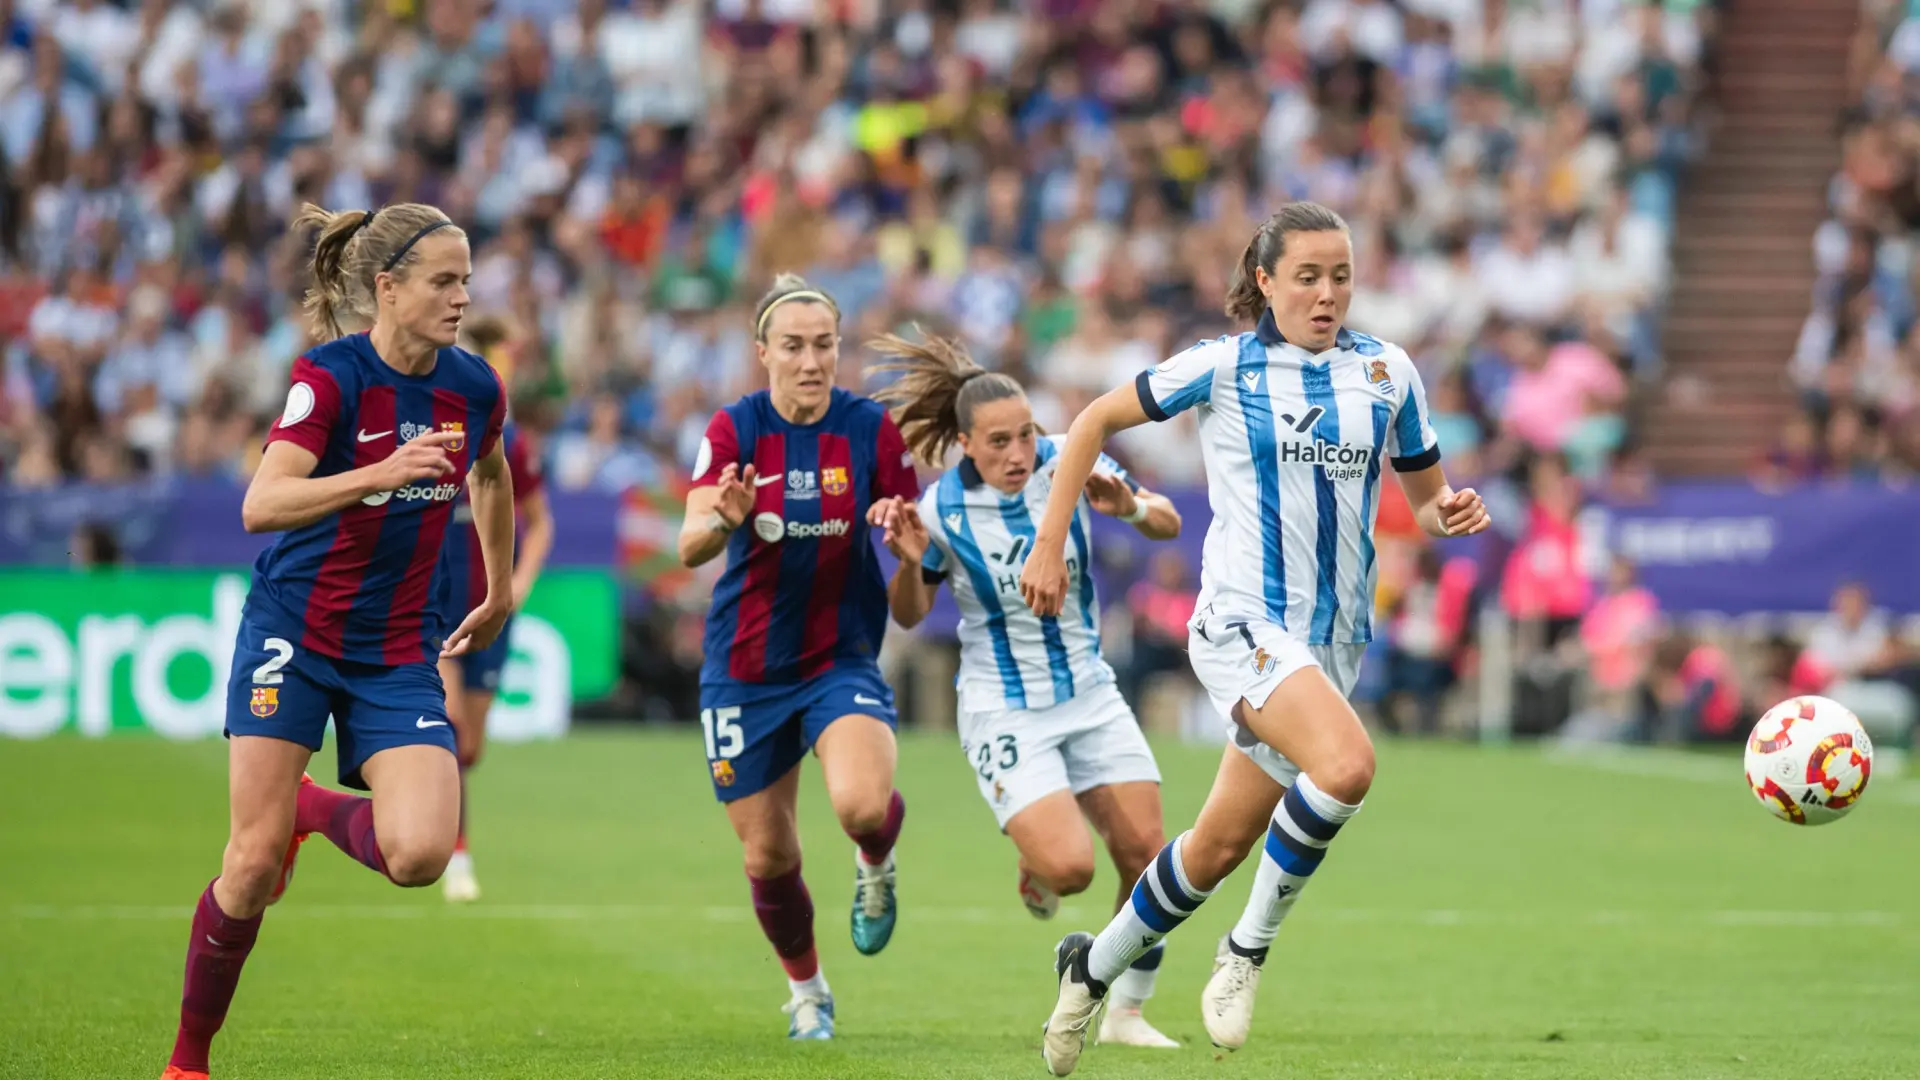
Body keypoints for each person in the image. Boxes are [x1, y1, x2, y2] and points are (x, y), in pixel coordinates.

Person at [1018, 201, 1491, 1075]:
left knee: (1214, 849)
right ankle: (1247, 951)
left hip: (1332, 641)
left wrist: (1446, 513)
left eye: (1340, 276)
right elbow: (1089, 423)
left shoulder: (1389, 372)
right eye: (1306, 277)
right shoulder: (1224, 366)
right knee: (1347, 767)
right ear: (1264, 282)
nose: (1326, 294)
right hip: (1242, 621)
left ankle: (1089, 970)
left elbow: (1425, 495)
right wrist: (1049, 542)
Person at [160, 202, 513, 1080]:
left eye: (467, 279)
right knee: (246, 867)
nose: (462, 296)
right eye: (444, 280)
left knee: (423, 854)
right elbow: (260, 504)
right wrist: (381, 474)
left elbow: (493, 471)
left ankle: (313, 811)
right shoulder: (331, 378)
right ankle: (187, 1062)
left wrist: (500, 586)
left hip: (397, 647)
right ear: (387, 289)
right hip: (296, 631)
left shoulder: (473, 387)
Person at [865, 331, 1186, 1050]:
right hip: (1004, 706)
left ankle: (1127, 1014)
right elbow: (909, 615)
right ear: (965, 445)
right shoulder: (941, 511)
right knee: (1070, 869)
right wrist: (914, 564)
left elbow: (1168, 521)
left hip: (1089, 691)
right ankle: (1036, 861)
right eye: (999, 442)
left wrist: (1126, 505)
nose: (1019, 454)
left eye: (1026, 435)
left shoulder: (1066, 459)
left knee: (1149, 853)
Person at [676, 273, 921, 1041]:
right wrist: (724, 520)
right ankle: (809, 992)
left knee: (860, 805)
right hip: (743, 671)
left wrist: (909, 556)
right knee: (769, 851)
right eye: (794, 347)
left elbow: (914, 607)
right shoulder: (734, 430)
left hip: (838, 660)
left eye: (824, 345)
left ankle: (875, 865)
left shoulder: (872, 431)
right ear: (763, 353)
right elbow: (689, 546)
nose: (811, 361)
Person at [435, 316, 555, 903]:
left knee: (470, 747)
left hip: (490, 608)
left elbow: (540, 524)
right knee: (452, 725)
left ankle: (426, 796)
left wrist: (521, 581)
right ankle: (457, 858)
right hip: (435, 606)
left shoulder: (509, 439)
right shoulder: (429, 427)